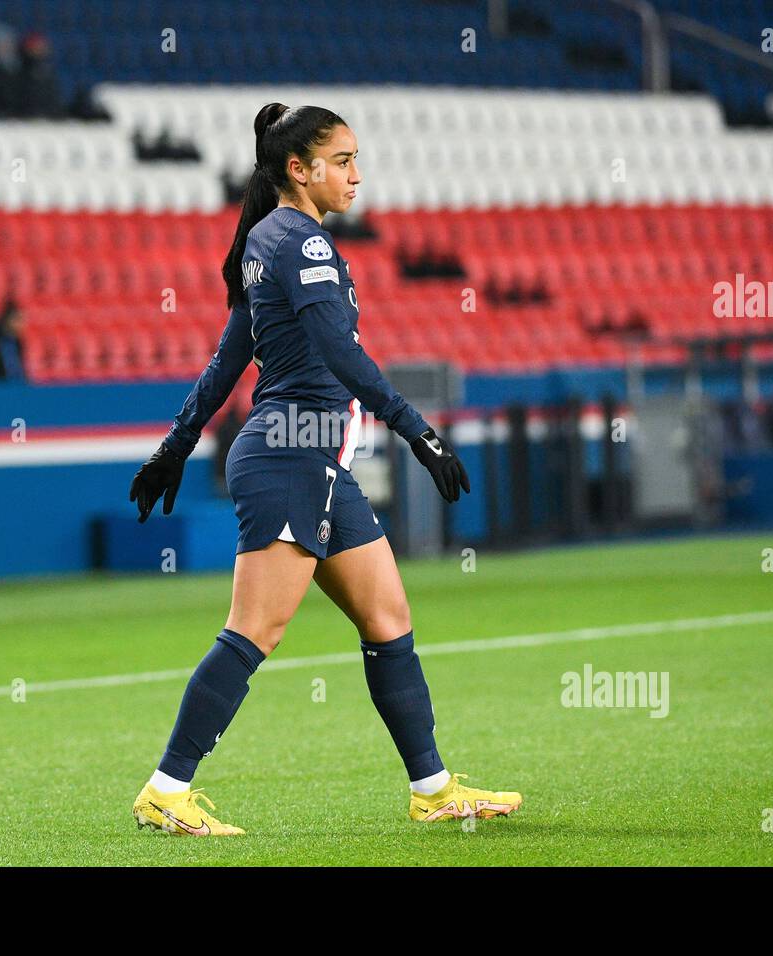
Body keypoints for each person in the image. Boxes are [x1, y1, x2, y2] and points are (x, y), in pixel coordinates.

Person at [127, 103, 520, 836]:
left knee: (388, 618)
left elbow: (226, 361)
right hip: (289, 458)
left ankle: (432, 788)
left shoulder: (265, 242)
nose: (356, 174)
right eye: (342, 160)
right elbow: (339, 353)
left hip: (319, 465)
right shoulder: (296, 240)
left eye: (355, 158)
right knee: (256, 631)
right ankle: (166, 788)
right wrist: (417, 430)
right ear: (298, 169)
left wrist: (173, 446)